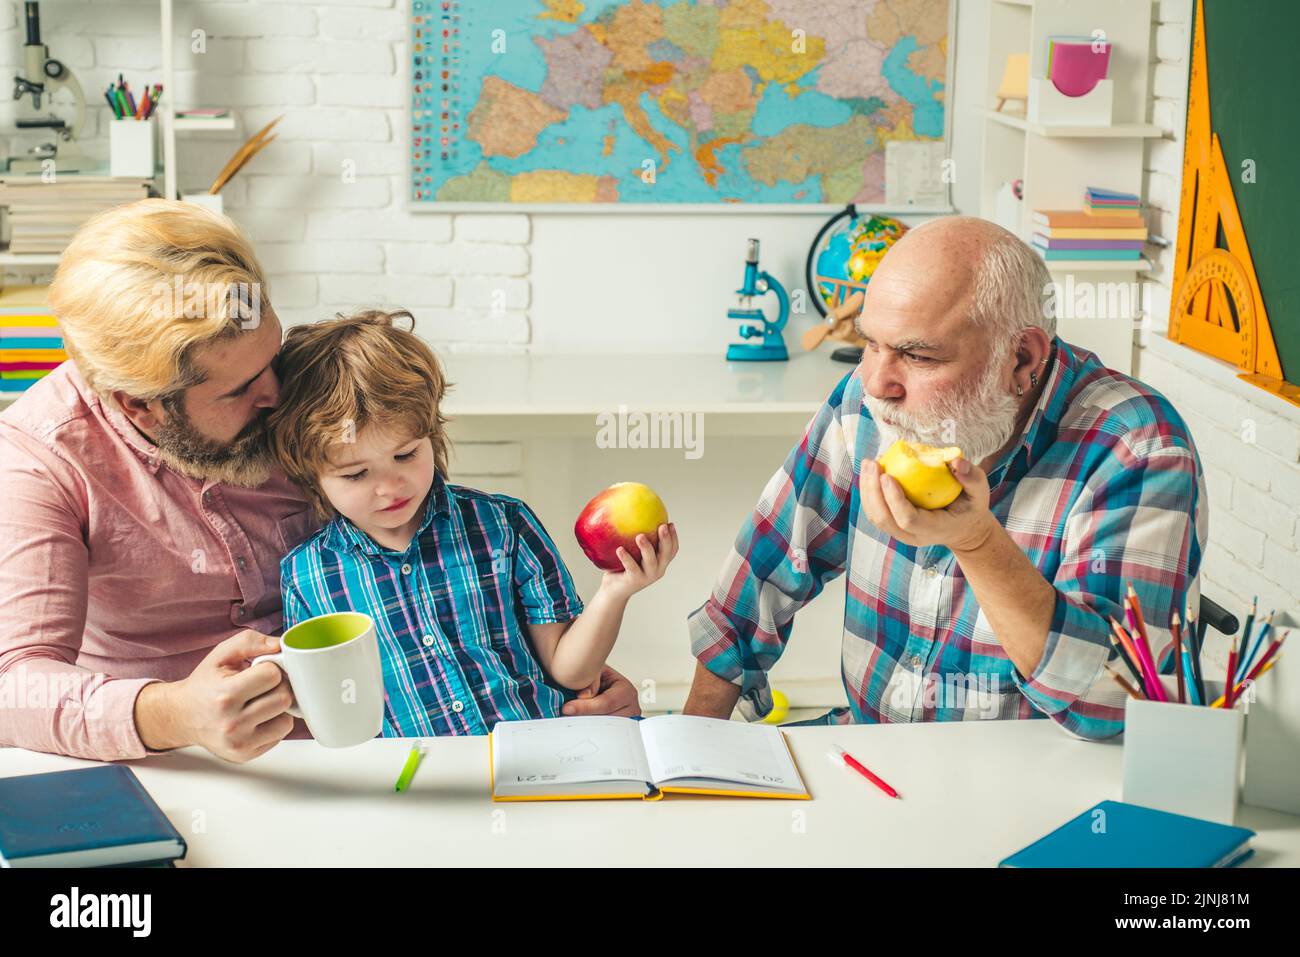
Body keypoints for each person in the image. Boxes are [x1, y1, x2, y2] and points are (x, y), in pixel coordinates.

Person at [0, 199, 642, 763]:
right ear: (141, 405)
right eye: (241, 388)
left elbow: (437, 556)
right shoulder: (39, 461)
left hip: (376, 755)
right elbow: (14, 687)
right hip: (176, 765)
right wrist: (174, 713)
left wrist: (570, 675)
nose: (279, 394)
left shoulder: (284, 383)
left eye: (271, 357)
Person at [684, 216, 1206, 740]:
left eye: (916, 354)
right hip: (872, 749)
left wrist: (975, 542)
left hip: (1034, 792)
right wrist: (691, 748)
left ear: (1021, 358)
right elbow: (762, 574)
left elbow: (1115, 705)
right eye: (871, 344)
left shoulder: (1139, 449)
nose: (877, 382)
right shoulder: (868, 400)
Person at [268, 311, 678, 735]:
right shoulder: (306, 576)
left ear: (432, 434)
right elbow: (328, 709)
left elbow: (570, 671)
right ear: (309, 474)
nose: (389, 488)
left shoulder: (503, 525)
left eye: (406, 455)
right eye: (356, 475)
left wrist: (616, 590)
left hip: (541, 756)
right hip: (420, 781)